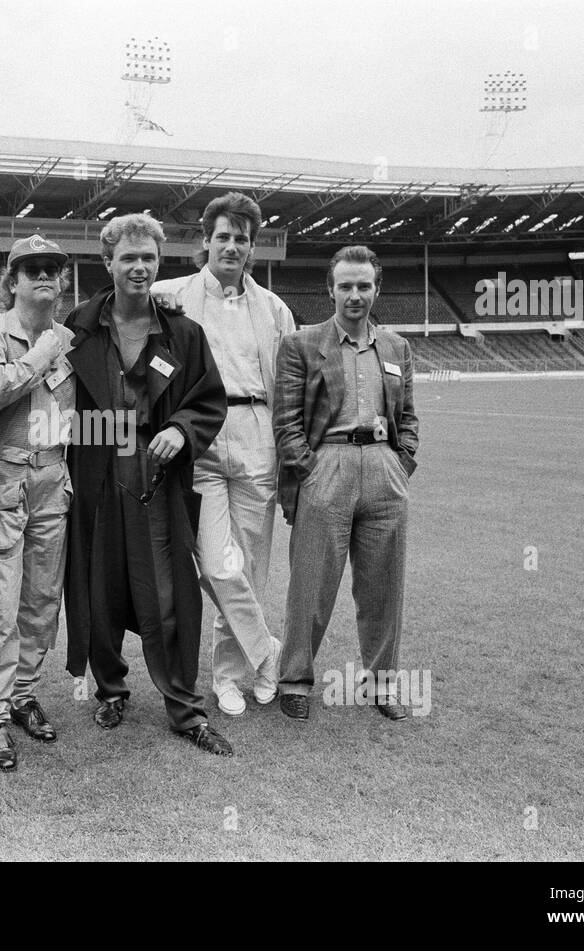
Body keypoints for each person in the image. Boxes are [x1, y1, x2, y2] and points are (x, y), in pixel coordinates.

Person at [63, 213, 233, 757]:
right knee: (101, 587)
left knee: (169, 593)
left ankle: (183, 705)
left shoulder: (182, 333)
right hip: (97, 472)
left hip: (158, 478)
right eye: (128, 258)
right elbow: (60, 407)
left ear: (159, 265)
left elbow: (208, 401)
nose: (139, 267)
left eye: (149, 259)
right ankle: (111, 690)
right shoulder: (78, 328)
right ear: (107, 262)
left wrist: (181, 432)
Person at [151, 192, 295, 717]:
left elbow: (290, 386)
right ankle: (267, 650)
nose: (232, 245)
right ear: (204, 242)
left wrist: (287, 451)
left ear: (252, 248)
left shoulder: (274, 308)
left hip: (258, 431)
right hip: (201, 433)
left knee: (250, 567)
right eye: (223, 236)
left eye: (242, 238)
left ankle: (231, 678)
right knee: (215, 563)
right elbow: (118, 301)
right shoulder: (171, 296)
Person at [272, 245, 420, 722]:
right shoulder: (301, 343)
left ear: (377, 288)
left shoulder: (397, 347)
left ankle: (381, 684)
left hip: (383, 467)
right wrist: (309, 470)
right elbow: (287, 422)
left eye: (364, 286)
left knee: (384, 588)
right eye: (345, 286)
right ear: (330, 289)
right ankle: (295, 679)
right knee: (310, 584)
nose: (355, 295)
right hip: (327, 464)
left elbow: (409, 417)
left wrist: (403, 461)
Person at [0, 235, 75, 771]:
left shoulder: (71, 337)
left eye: (52, 267)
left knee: (40, 603)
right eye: (30, 268)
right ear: (11, 281)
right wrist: (37, 357)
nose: (43, 275)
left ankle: (24, 695)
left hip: (53, 478)